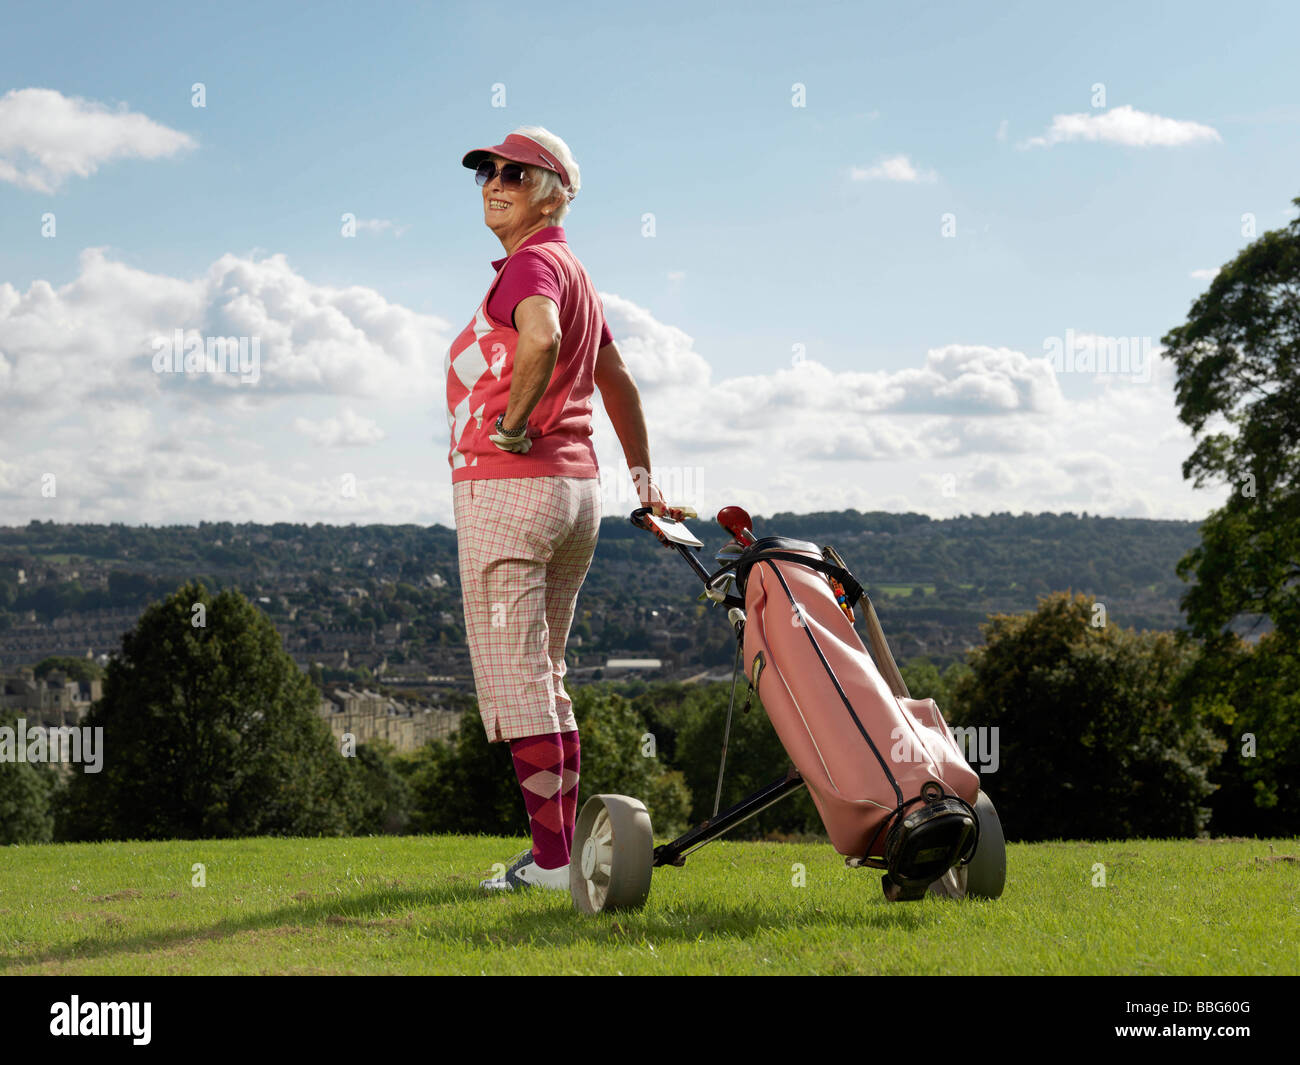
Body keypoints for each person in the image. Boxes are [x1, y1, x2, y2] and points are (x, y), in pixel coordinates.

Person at [445, 126, 688, 892]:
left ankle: (552, 864)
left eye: (515, 173)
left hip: (511, 486)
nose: (494, 181)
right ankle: (564, 854)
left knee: (518, 680)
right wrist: (645, 483)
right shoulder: (576, 272)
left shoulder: (530, 267)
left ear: (553, 191)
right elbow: (617, 383)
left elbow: (541, 341)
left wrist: (512, 425)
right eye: (487, 170)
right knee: (545, 674)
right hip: (576, 492)